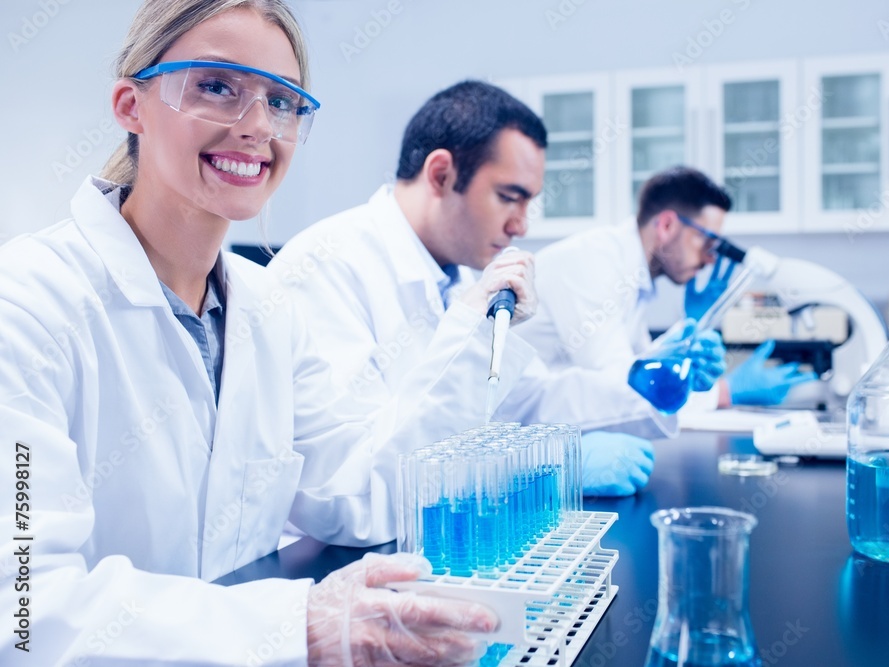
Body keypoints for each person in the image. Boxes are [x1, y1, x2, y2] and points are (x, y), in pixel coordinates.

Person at [0, 2, 497, 664]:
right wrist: (300, 625)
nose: (258, 126)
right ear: (131, 105)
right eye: (216, 86)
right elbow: (27, 611)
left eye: (282, 101)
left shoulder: (269, 309)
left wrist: (474, 332)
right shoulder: (28, 302)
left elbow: (358, 494)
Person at [271, 82, 726, 498]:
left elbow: (527, 400)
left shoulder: (463, 275)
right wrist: (547, 470)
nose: (522, 224)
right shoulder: (329, 265)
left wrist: (644, 381)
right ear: (441, 174)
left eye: (529, 201)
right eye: (510, 197)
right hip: (336, 564)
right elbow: (348, 485)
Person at [516, 166, 818, 410]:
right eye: (707, 242)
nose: (710, 259)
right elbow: (626, 384)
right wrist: (726, 392)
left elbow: (643, 364)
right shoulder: (593, 261)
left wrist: (694, 324)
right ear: (667, 226)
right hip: (519, 440)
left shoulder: (634, 280)